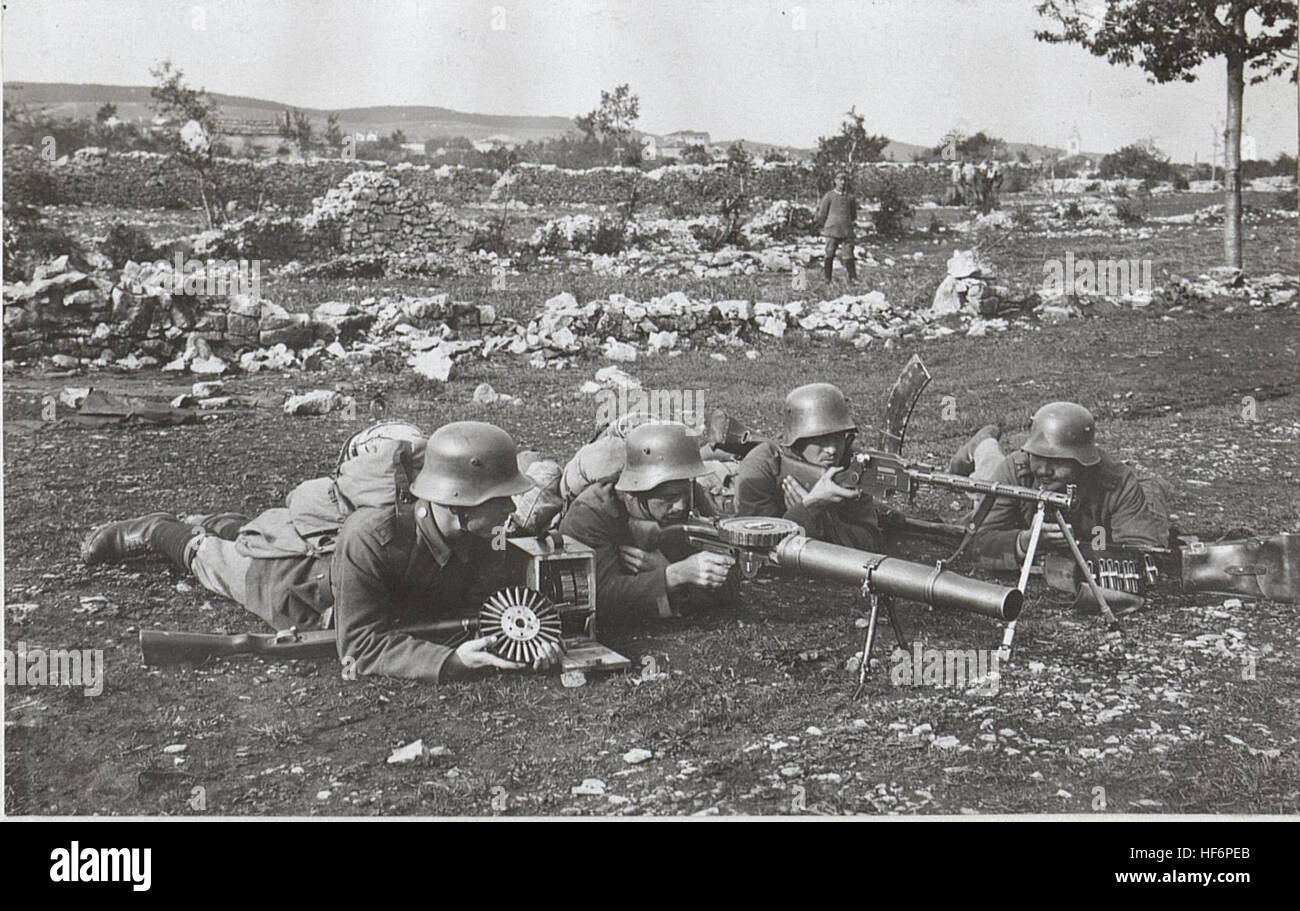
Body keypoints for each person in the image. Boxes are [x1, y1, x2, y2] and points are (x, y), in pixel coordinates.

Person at [80, 421, 562, 681]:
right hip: (294, 587)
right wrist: (451, 663)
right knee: (209, 558)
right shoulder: (374, 535)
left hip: (344, 571)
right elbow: (361, 648)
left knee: (249, 526)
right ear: (459, 501)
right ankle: (157, 530)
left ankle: (218, 521)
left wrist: (531, 641)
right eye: (498, 500)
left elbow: (494, 606)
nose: (509, 509)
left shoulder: (484, 535)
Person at [947, 402, 1171, 571]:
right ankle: (984, 442)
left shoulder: (1117, 482)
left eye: (1056, 461)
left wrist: (1091, 552)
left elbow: (1143, 553)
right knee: (987, 482)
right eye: (1038, 457)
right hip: (1008, 484)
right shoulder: (1018, 469)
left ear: (1082, 461)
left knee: (1153, 500)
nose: (1044, 469)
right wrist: (1024, 541)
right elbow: (976, 541)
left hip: (1136, 494)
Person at [558, 422, 737, 623]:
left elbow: (730, 582)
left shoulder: (688, 495)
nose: (680, 506)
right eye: (668, 497)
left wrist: (667, 569)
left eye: (684, 494)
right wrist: (673, 575)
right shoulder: (590, 515)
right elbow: (598, 598)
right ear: (635, 492)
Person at [734, 383, 885, 552]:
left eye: (838, 438)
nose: (832, 450)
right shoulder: (760, 465)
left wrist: (823, 516)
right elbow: (758, 546)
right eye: (822, 439)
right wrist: (807, 508)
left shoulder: (853, 465)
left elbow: (870, 543)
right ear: (798, 441)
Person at [814, 172, 858, 284]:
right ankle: (827, 278)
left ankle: (853, 279)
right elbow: (822, 213)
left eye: (844, 180)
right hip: (832, 230)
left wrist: (848, 224)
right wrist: (820, 226)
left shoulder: (850, 198)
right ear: (835, 181)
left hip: (847, 231)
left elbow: (853, 215)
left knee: (849, 255)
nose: (842, 182)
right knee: (829, 254)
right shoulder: (829, 196)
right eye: (840, 179)